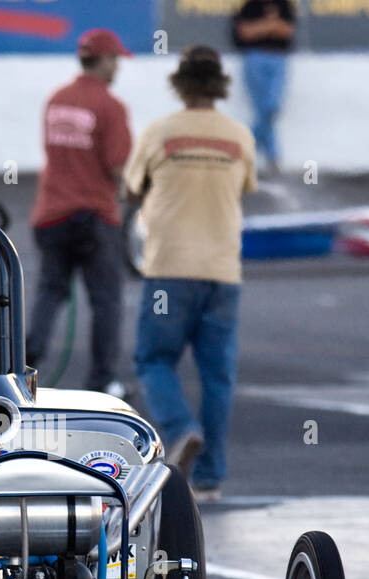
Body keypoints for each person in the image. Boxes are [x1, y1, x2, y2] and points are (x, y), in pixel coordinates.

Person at [123, 47, 256, 500]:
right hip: (222, 270)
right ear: (220, 86)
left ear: (179, 86)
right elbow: (245, 186)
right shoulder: (239, 135)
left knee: (154, 359)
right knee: (217, 375)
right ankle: (210, 478)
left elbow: (131, 187)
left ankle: (181, 429)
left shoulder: (160, 133)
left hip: (169, 268)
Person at [25, 28, 133, 397]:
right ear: (102, 60)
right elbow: (118, 165)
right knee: (105, 300)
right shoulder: (110, 106)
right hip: (94, 216)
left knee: (49, 292)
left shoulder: (57, 99)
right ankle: (103, 381)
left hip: (51, 213)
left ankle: (21, 369)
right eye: (115, 59)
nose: (117, 67)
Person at [230, 0, 294, 176]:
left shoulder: (284, 5)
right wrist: (270, 26)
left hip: (278, 58)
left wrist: (262, 28)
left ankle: (244, 151)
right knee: (262, 109)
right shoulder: (249, 6)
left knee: (271, 107)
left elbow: (287, 31)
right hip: (254, 58)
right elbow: (245, 33)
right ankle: (273, 157)